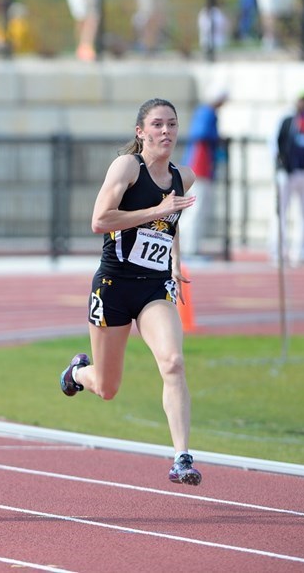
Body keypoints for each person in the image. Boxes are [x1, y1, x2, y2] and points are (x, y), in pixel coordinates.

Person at [59, 98, 202, 487]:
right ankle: (76, 372)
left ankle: (182, 457)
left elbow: (171, 225)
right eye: (157, 124)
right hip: (114, 286)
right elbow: (99, 220)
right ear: (141, 132)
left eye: (172, 124)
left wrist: (174, 260)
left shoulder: (183, 178)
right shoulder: (127, 167)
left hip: (154, 288)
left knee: (173, 362)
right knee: (107, 388)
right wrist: (156, 210)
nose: (166, 132)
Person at [267, 92, 304, 266]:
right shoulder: (287, 121)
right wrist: (280, 167)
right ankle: (278, 252)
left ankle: (303, 252)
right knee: (280, 213)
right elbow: (275, 144)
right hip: (288, 173)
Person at [179, 87, 228, 259]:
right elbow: (201, 135)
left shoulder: (206, 113)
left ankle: (190, 245)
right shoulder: (206, 114)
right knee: (196, 208)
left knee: (197, 209)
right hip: (199, 167)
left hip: (202, 167)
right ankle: (188, 247)